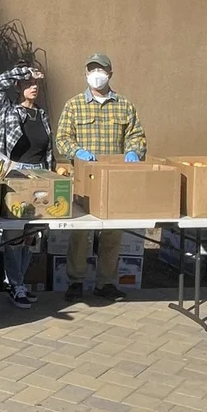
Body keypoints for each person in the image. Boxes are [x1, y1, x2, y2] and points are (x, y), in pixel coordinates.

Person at [53, 52, 147, 302]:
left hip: (115, 181)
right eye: (92, 70)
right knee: (81, 232)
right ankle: (76, 281)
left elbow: (136, 136)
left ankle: (106, 282)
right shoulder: (74, 105)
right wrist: (76, 152)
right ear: (86, 74)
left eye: (101, 70)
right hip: (84, 180)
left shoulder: (124, 105)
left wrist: (133, 152)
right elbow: (62, 138)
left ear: (110, 74)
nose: (97, 74)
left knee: (112, 233)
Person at [0, 61, 53, 308]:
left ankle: (19, 283)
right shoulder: (8, 110)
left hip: (40, 176)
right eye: (28, 82)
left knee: (31, 236)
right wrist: (25, 71)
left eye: (36, 82)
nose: (33, 86)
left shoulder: (42, 114)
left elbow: (48, 151)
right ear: (17, 85)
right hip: (16, 176)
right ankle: (15, 284)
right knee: (14, 234)